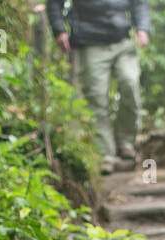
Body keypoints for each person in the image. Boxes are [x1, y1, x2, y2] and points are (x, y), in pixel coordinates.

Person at [45, 0, 150, 173]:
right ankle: (105, 154)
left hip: (122, 40)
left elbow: (139, 3)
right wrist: (59, 30)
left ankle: (126, 144)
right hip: (90, 42)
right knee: (96, 98)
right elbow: (54, 3)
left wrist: (142, 28)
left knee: (130, 83)